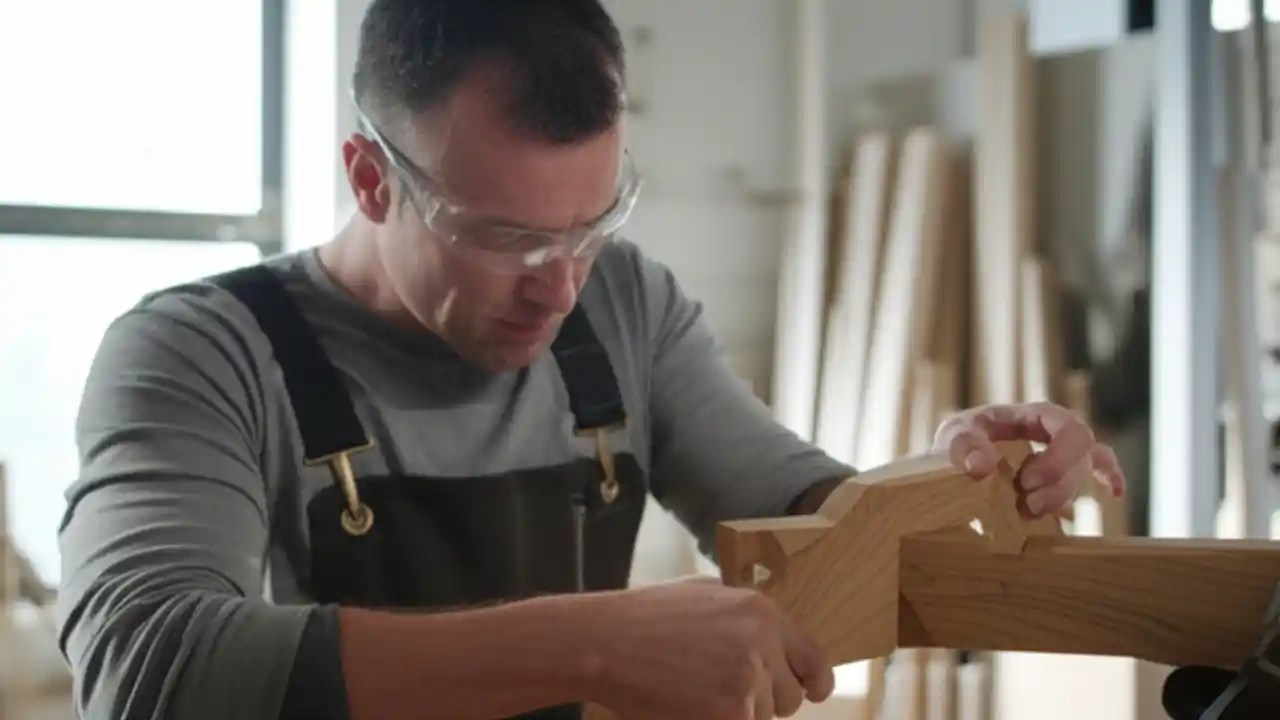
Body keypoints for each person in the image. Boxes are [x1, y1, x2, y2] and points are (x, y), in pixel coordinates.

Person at [54, 1, 1125, 719]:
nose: (559, 284)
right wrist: (591, 646)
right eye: (508, 237)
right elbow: (149, 664)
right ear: (372, 181)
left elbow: (810, 518)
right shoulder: (197, 353)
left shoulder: (623, 305)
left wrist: (952, 489)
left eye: (592, 221)